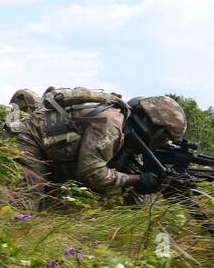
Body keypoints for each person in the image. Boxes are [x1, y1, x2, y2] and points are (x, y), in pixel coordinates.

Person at [14, 89, 186, 208]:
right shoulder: (111, 123)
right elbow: (93, 174)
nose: (162, 143)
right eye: (164, 137)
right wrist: (137, 179)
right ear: (151, 124)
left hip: (55, 157)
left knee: (57, 210)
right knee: (27, 203)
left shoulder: (128, 140)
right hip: (30, 140)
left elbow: (135, 200)